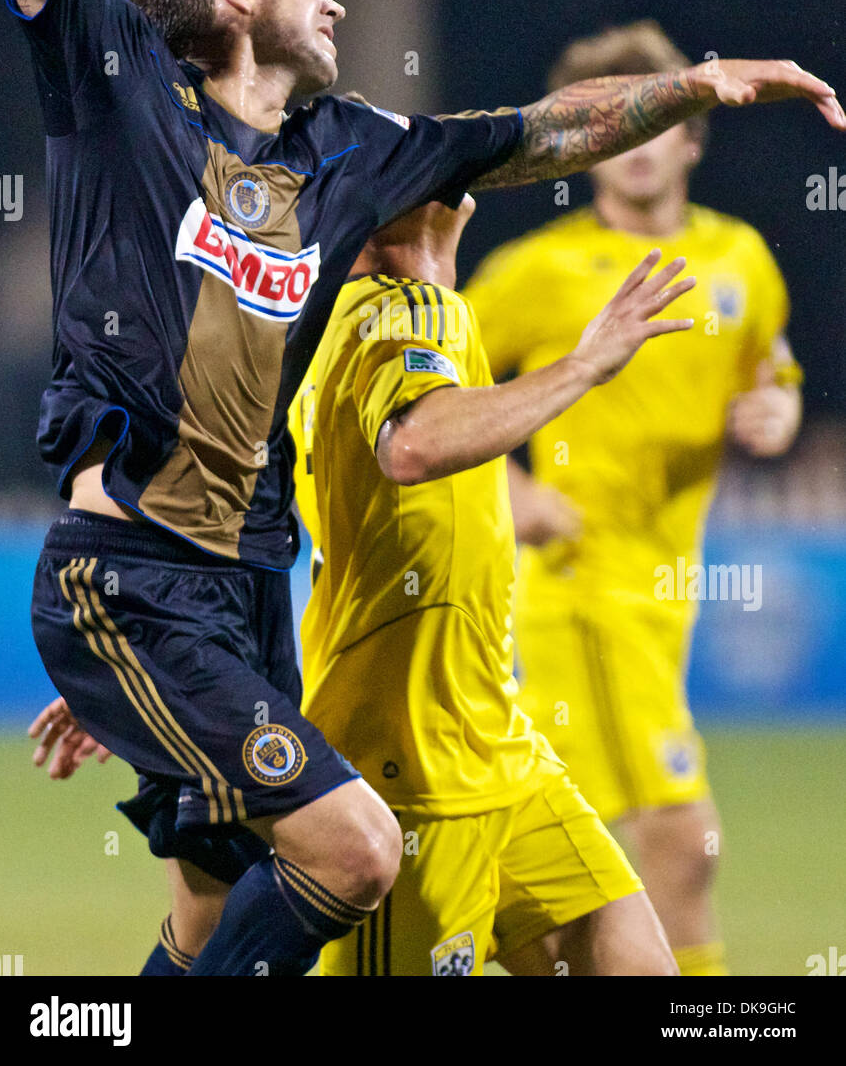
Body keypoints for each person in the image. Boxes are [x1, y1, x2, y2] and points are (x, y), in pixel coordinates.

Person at [0, 0, 838, 977]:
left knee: (216, 909)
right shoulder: (126, 100)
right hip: (133, 569)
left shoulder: (351, 156)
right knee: (356, 852)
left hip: (242, 595)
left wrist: (697, 84)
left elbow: (540, 129)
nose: (329, 0)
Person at [465, 21, 805, 977]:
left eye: (656, 119)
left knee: (566, 871)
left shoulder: (739, 259)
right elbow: (420, 404)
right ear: (591, 143)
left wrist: (775, 410)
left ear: (692, 135)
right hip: (569, 597)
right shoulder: (536, 273)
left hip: (663, 599)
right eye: (618, 123)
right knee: (676, 841)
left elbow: (769, 372)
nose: (640, 142)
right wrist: (509, 485)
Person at [289, 191, 694, 976]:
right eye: (430, 165)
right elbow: (414, 445)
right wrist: (582, 366)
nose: (462, 179)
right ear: (380, 218)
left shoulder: (373, 317)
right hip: (403, 770)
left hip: (497, 746)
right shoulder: (397, 308)